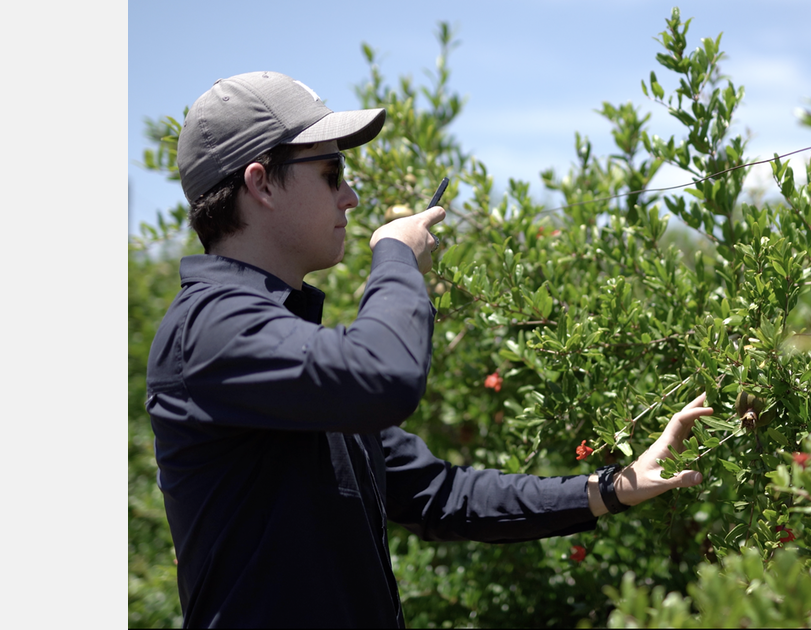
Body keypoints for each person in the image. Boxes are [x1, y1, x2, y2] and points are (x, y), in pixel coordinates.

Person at [145, 71, 713, 628]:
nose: (351, 195)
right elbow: (384, 376)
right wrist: (394, 256)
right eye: (330, 171)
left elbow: (437, 493)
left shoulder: (276, 339)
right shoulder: (208, 328)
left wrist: (615, 487)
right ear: (261, 183)